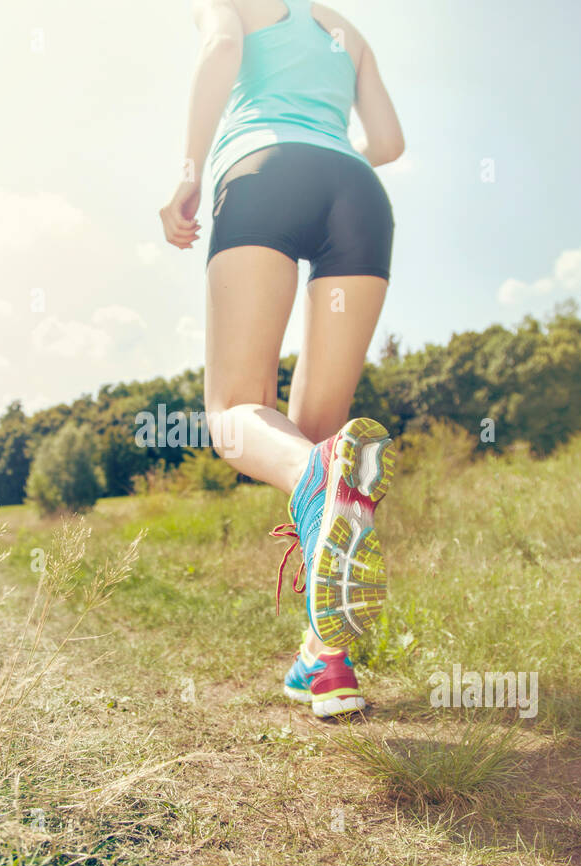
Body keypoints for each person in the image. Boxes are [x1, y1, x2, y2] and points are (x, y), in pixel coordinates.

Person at [159, 0, 405, 717]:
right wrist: (329, 141)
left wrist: (187, 173)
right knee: (313, 442)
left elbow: (221, 53)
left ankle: (326, 483)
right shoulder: (348, 31)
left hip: (265, 174)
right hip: (358, 193)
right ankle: (325, 660)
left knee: (237, 413)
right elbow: (387, 140)